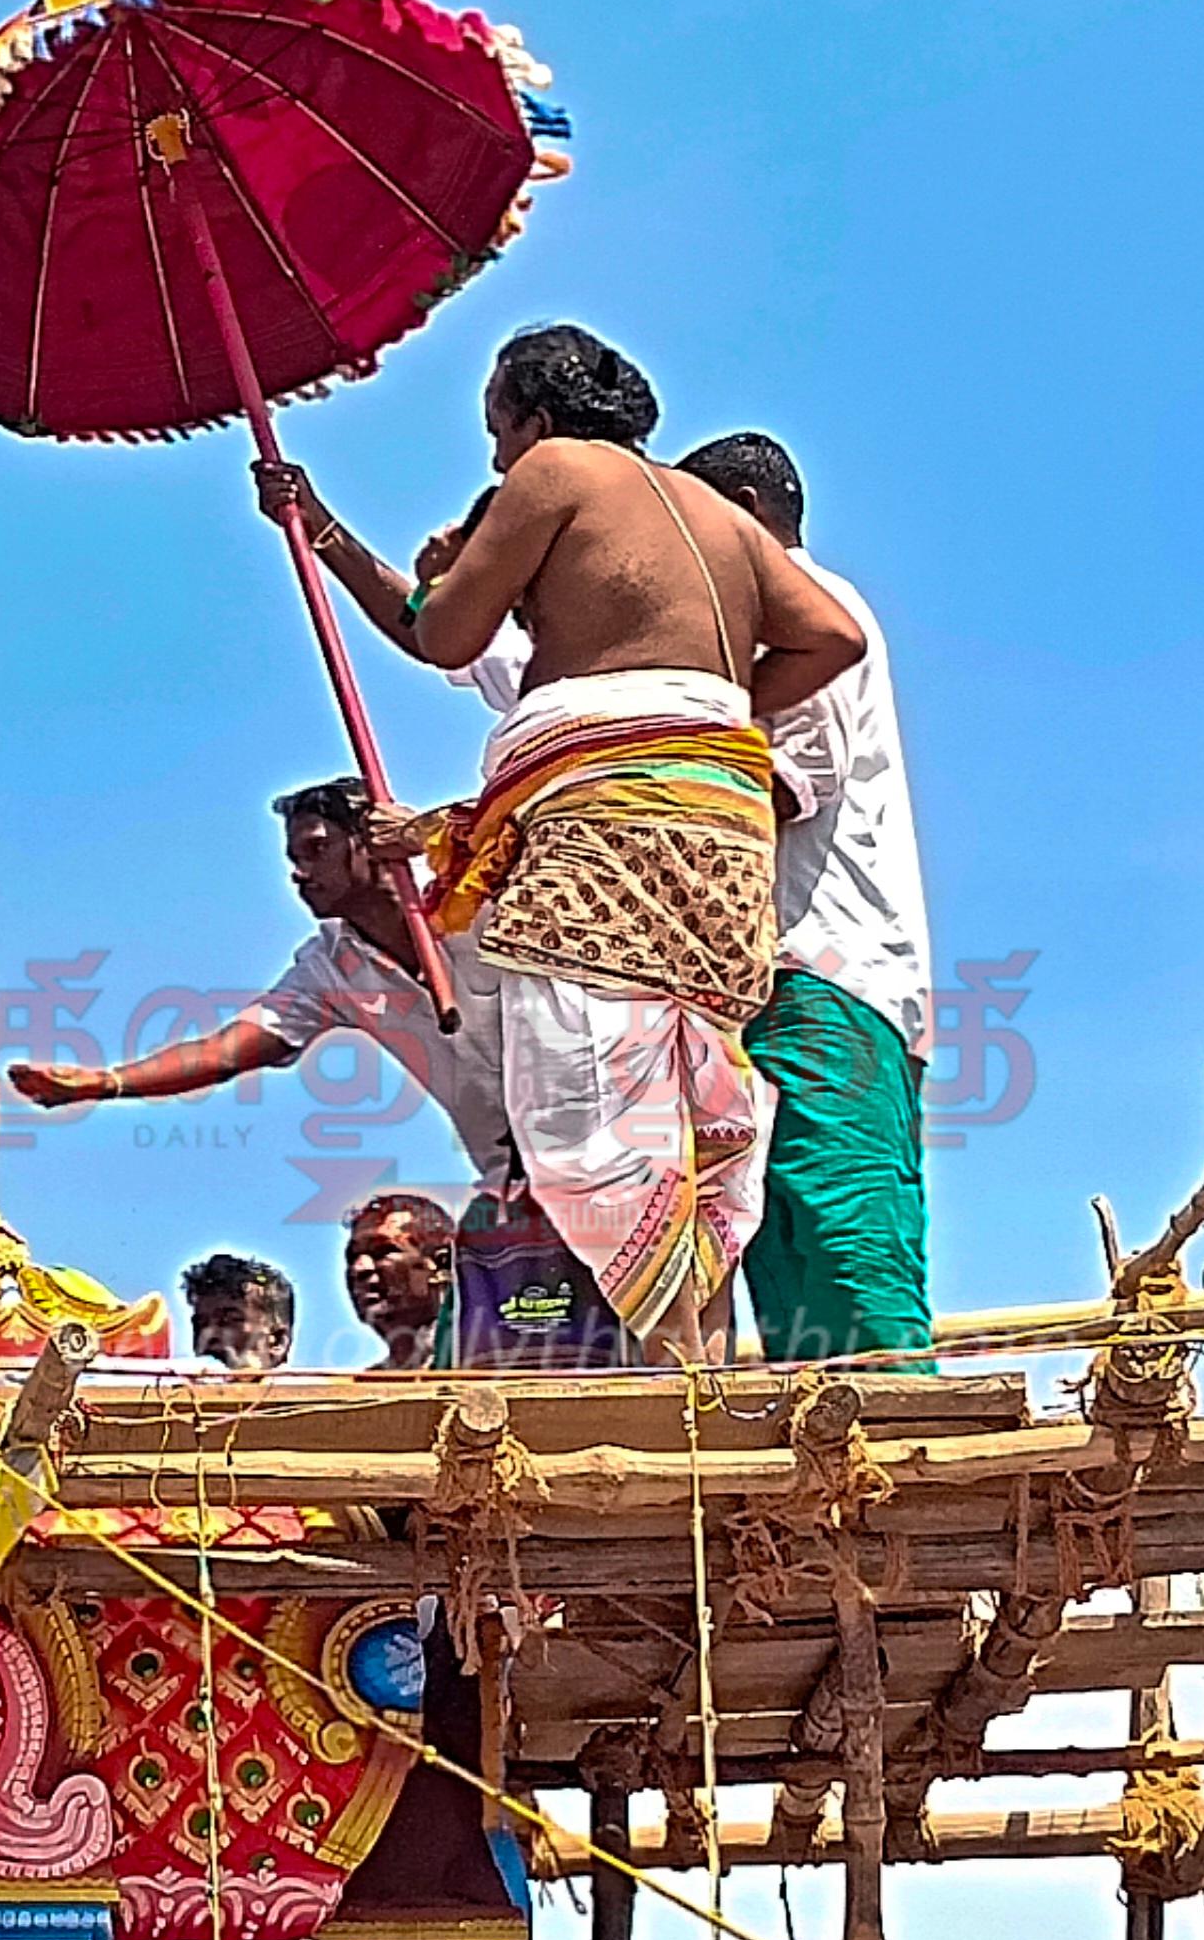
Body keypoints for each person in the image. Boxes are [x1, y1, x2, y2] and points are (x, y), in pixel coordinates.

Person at [254, 324, 868, 1367]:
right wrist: (693, 727)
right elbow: (832, 637)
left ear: (535, 419)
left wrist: (622, 732)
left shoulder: (554, 471)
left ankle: (672, 1381)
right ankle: (700, 1378)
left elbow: (443, 635)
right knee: (689, 1099)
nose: (497, 461)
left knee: (593, 1108)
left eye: (499, 434)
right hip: (717, 834)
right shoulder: (709, 506)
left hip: (606, 836)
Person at [676, 431, 932, 1367]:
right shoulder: (743, 632)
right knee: (779, 1242)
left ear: (745, 506)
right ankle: (836, 1479)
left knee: (841, 1238)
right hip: (767, 982)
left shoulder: (805, 610)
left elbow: (789, 778)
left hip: (828, 972)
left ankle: (905, 1461)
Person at [9, 778, 510, 1182]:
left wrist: (428, 831)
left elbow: (534, 815)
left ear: (372, 842)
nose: (299, 873)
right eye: (294, 859)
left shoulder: (484, 893)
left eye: (317, 850)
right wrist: (108, 1083)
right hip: (516, 1182)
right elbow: (223, 1051)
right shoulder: (328, 969)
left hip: (586, 1142)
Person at [343, 1192, 455, 1369]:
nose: (359, 1268)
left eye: (382, 1251)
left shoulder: (489, 1361)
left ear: (442, 1263)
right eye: (352, 1257)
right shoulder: (365, 1389)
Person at [181, 1252, 296, 1370]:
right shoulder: (172, 1385)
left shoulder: (308, 1387)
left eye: (230, 1320)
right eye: (200, 1324)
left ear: (277, 1341)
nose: (208, 1335)